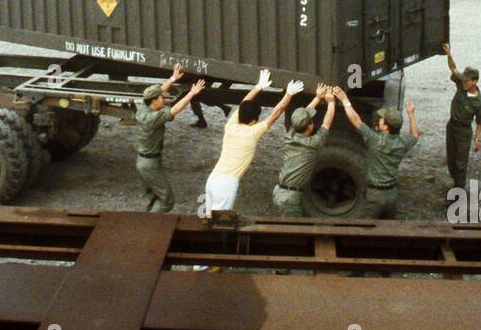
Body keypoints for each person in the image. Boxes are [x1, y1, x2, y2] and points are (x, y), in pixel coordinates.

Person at [201, 71, 303, 215]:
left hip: (213, 178)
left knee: (209, 218)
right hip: (226, 184)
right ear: (254, 120)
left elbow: (244, 104)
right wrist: (289, 93)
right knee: (220, 222)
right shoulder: (252, 133)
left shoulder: (231, 125)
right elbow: (276, 112)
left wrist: (259, 86)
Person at [333, 86, 420, 219]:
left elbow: (356, 121)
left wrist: (345, 99)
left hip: (375, 196)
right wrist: (411, 114)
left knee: (364, 229)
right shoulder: (402, 144)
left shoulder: (375, 140)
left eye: (382, 119)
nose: (379, 119)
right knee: (387, 230)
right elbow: (415, 135)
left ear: (385, 126)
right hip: (392, 195)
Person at [136, 63, 207, 213]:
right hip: (150, 164)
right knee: (167, 201)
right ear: (154, 101)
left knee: (156, 195)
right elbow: (175, 109)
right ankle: (150, 224)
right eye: (161, 98)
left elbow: (159, 90)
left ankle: (147, 219)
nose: (164, 99)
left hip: (145, 162)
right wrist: (192, 93)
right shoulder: (154, 118)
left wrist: (173, 78)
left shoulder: (144, 107)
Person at [272, 84, 337, 217]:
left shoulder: (290, 136)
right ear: (309, 126)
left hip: (279, 191)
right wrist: (331, 102)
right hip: (289, 199)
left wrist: (318, 98)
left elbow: (303, 117)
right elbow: (326, 123)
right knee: (292, 232)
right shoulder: (312, 143)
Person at [442, 43, 481, 191]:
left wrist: (478, 138)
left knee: (461, 163)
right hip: (452, 126)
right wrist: (449, 54)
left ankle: (458, 191)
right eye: (464, 79)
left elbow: (480, 121)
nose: (464, 82)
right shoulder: (462, 83)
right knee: (451, 160)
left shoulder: (480, 102)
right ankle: (456, 183)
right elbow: (453, 68)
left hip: (464, 132)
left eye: (468, 81)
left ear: (474, 81)